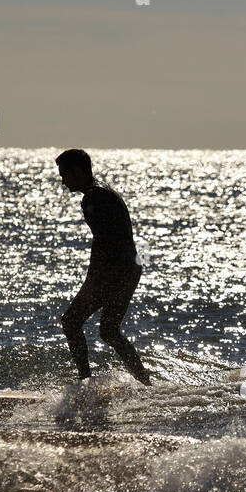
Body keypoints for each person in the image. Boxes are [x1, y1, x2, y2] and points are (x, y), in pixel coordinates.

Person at [55, 148, 152, 385]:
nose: (62, 181)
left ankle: (84, 381)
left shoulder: (93, 199)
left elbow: (103, 242)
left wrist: (91, 282)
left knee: (71, 321)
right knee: (109, 330)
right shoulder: (104, 192)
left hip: (114, 271)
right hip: (130, 268)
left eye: (64, 174)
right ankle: (146, 383)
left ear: (78, 172)